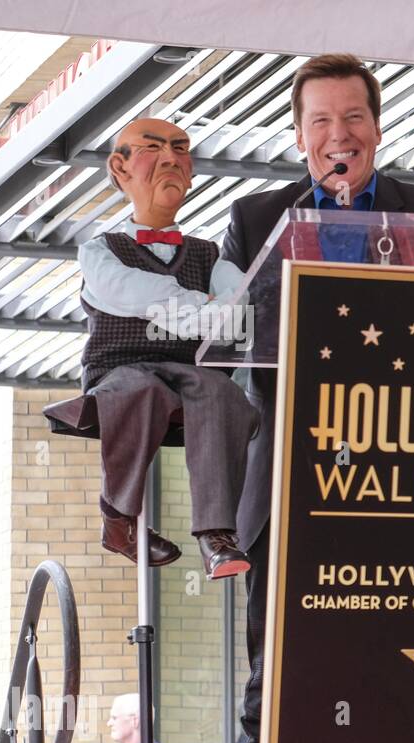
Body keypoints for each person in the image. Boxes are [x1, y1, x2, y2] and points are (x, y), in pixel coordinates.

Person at [223, 53, 414, 743]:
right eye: (320, 122)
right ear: (298, 137)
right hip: (295, 496)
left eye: (352, 119)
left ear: (378, 126)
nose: (338, 137)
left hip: (410, 498)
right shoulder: (255, 221)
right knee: (278, 695)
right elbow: (241, 347)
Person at [75, 117, 259, 579]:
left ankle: (217, 535)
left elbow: (240, 311)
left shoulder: (211, 254)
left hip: (188, 372)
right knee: (139, 390)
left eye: (181, 148)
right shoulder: (100, 251)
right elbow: (138, 294)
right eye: (152, 148)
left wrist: (212, 310)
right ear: (120, 167)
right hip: (119, 367)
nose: (171, 159)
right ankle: (118, 515)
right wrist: (205, 307)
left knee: (220, 392)